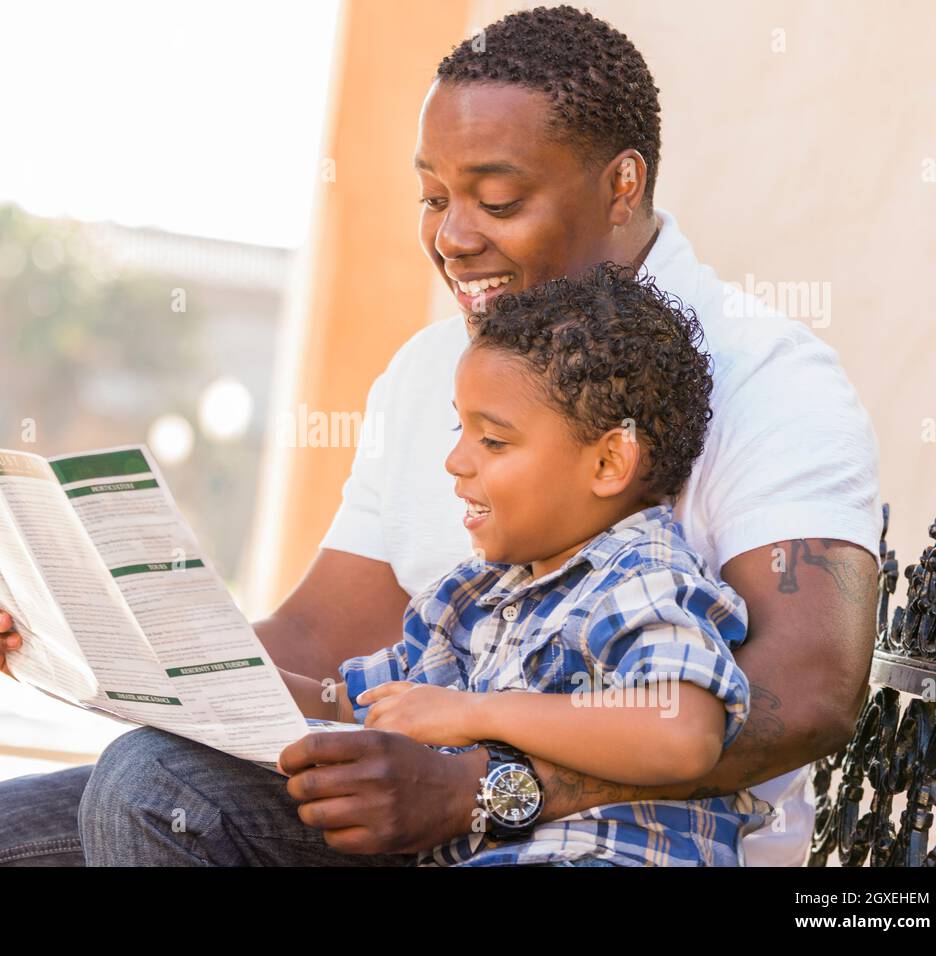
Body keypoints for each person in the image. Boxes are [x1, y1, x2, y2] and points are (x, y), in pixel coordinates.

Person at [0, 5, 880, 867]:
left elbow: (803, 694)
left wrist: (475, 786)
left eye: (497, 200)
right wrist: (87, 633)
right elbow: (318, 647)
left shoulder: (767, 376)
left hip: (610, 835)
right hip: (417, 808)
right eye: (432, 196)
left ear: (622, 186)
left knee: (156, 791)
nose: (451, 235)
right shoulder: (426, 374)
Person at [272, 264, 770, 866]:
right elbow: (364, 704)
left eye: (495, 441)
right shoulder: (471, 597)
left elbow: (682, 734)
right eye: (461, 428)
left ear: (610, 462)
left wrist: (476, 712)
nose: (455, 460)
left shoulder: (642, 574)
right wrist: (206, 680)